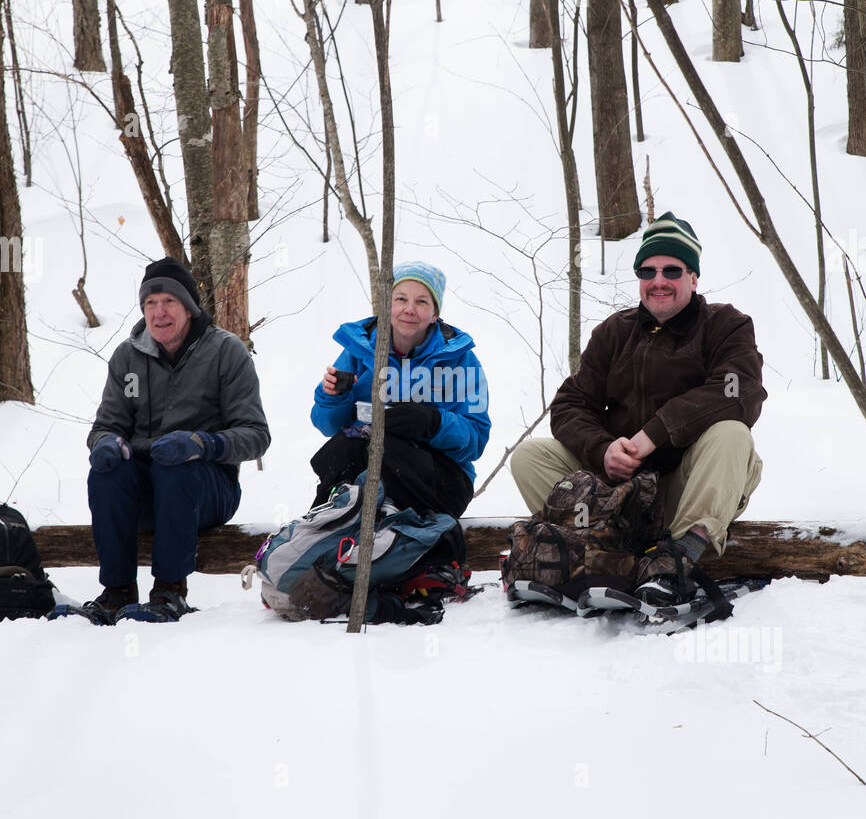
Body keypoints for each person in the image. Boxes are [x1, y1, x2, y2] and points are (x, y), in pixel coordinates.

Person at [511, 213, 766, 607]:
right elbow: (571, 403)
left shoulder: (725, 325)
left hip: (687, 488)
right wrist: (603, 450)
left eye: (672, 270)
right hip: (621, 499)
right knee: (529, 456)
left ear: (693, 278)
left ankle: (677, 562)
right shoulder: (615, 332)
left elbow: (739, 391)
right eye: (648, 271)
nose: (658, 280)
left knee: (732, 433)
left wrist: (652, 435)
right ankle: (596, 552)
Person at [83, 257, 271, 622]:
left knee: (175, 469)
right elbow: (105, 426)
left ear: (188, 307)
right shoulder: (127, 357)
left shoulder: (226, 352)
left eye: (169, 301)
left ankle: (170, 591)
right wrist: (105, 444)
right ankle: (116, 592)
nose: (159, 312)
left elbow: (256, 435)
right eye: (150, 303)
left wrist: (204, 444)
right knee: (107, 474)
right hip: (145, 492)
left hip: (207, 488)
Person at [310, 261, 490, 519]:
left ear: (435, 314)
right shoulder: (359, 350)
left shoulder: (460, 360)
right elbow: (327, 425)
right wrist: (333, 397)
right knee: (345, 445)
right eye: (401, 299)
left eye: (422, 302)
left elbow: (476, 441)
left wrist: (433, 423)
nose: (409, 309)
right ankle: (322, 529)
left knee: (389, 447)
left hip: (440, 481)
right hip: (364, 470)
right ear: (387, 305)